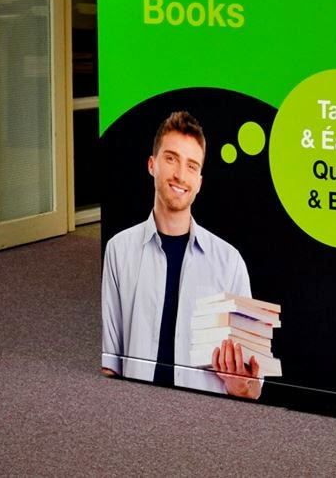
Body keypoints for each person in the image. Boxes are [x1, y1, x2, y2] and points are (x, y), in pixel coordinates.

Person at [101, 110, 261, 399]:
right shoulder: (118, 250)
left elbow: (255, 386)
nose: (180, 175)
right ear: (152, 165)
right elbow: (110, 362)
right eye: (171, 158)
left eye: (191, 165)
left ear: (199, 181)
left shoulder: (230, 262)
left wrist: (242, 387)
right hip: (136, 407)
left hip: (203, 414)